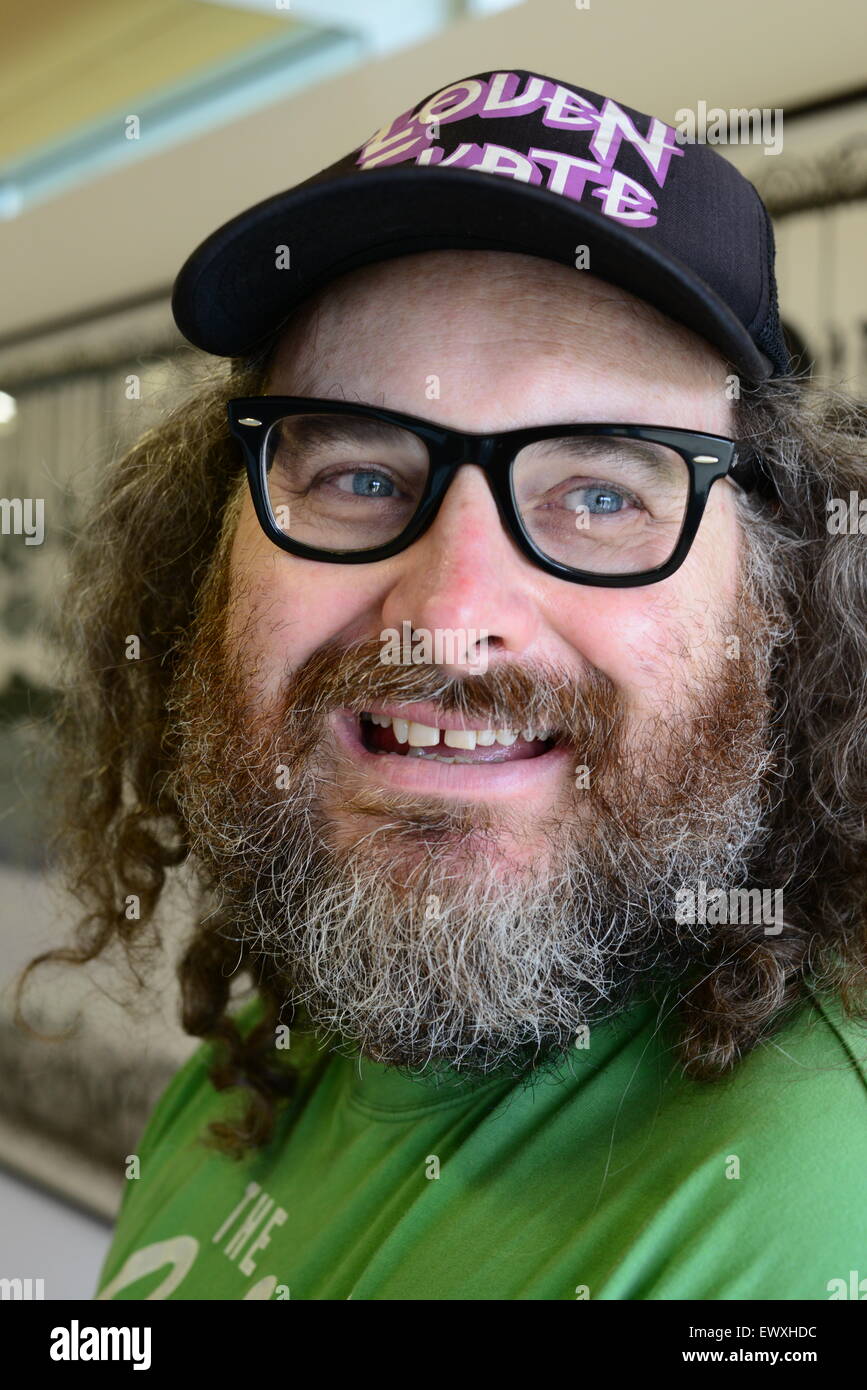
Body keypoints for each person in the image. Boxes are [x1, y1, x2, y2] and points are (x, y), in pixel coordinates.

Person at [22, 70, 867, 1300]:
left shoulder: (800, 1232)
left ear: (777, 599)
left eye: (600, 495)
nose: (453, 621)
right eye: (361, 474)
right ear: (205, 553)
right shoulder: (265, 1058)